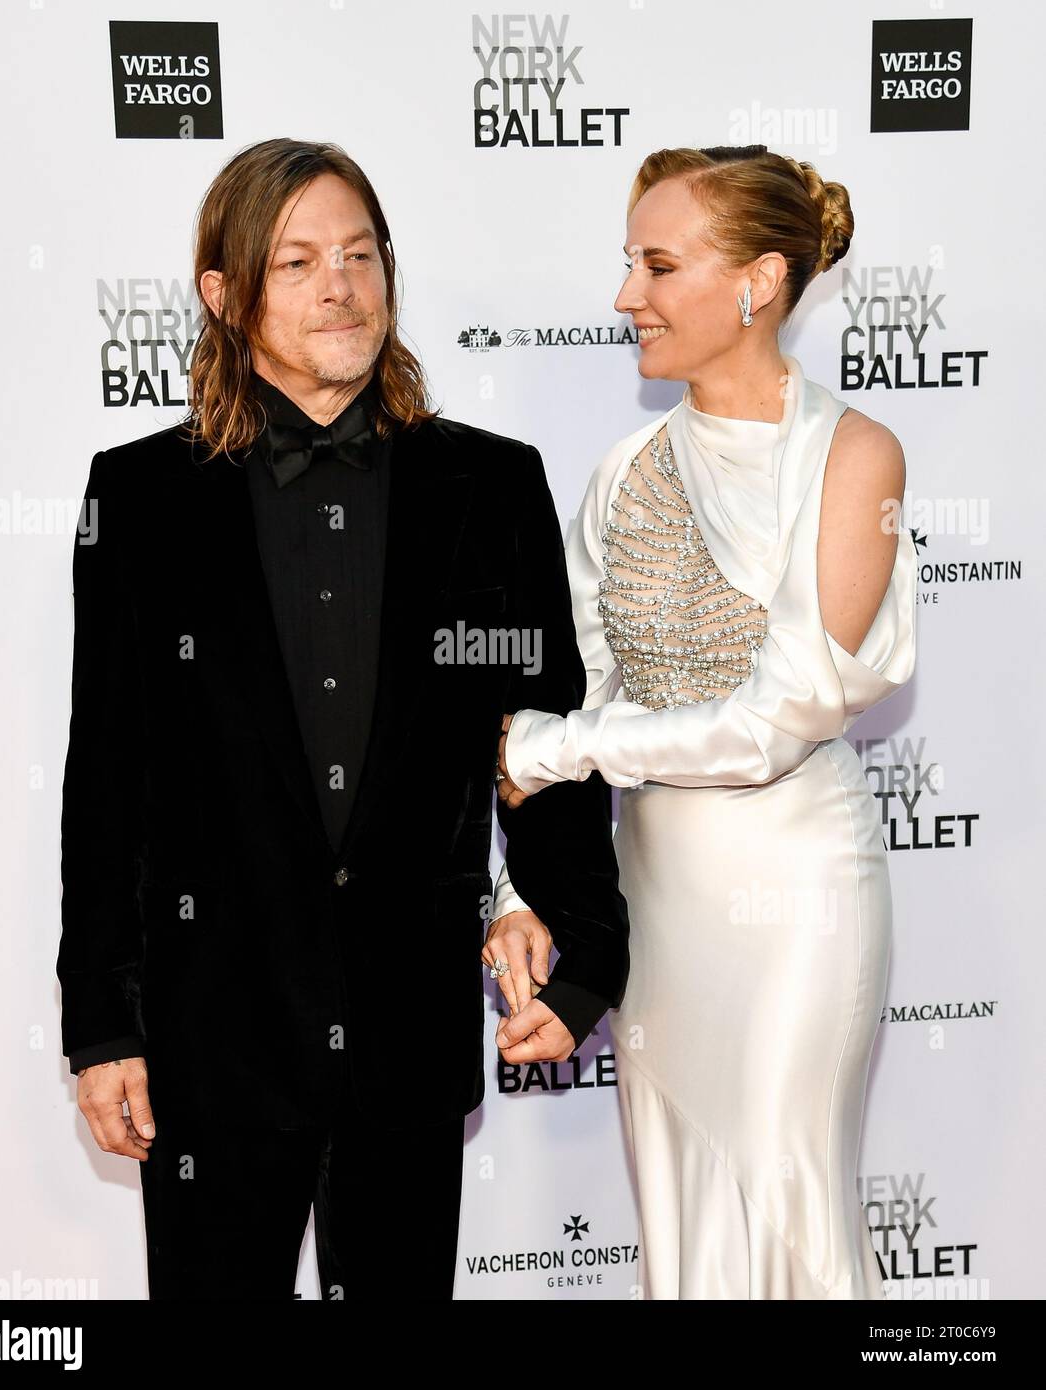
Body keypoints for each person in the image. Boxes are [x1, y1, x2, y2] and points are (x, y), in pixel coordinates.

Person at [56, 137, 629, 1300]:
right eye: (299, 262)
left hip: (404, 1040)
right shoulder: (143, 496)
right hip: (210, 1038)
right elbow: (109, 776)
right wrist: (99, 1026)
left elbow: (543, 740)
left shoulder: (491, 487)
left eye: (361, 255)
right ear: (224, 295)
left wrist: (584, 959)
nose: (341, 287)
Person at [495, 144, 917, 1299]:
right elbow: (574, 694)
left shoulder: (851, 458)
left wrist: (554, 748)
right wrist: (521, 891)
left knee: (785, 1196)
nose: (626, 295)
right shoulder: (625, 470)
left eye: (657, 265)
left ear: (757, 282)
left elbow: (769, 724)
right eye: (628, 263)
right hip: (656, 909)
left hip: (795, 908)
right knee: (680, 1224)